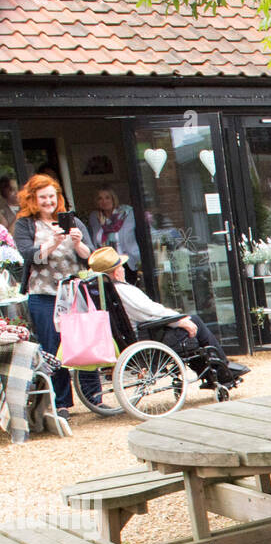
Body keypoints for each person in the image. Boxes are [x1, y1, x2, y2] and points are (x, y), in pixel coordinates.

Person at [12, 173, 109, 418]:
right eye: (42, 197)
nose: (48, 202)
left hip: (74, 292)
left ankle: (94, 397)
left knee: (84, 343)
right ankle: (62, 403)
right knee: (52, 349)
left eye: (52, 196)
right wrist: (53, 243)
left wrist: (77, 243)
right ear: (33, 199)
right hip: (44, 295)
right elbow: (30, 256)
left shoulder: (73, 221)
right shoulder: (25, 224)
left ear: (58, 197)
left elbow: (89, 256)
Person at [87, 246, 248, 385]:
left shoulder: (102, 294)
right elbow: (151, 312)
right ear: (116, 272)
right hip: (147, 338)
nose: (123, 269)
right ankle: (224, 370)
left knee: (190, 328)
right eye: (121, 266)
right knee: (194, 321)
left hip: (132, 338)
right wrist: (179, 320)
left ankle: (213, 373)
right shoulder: (124, 291)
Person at [88, 189, 140, 283]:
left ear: (113, 199)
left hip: (126, 262)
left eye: (107, 197)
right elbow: (94, 241)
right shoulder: (95, 217)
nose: (104, 201)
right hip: (106, 265)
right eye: (100, 198)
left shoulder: (126, 213)